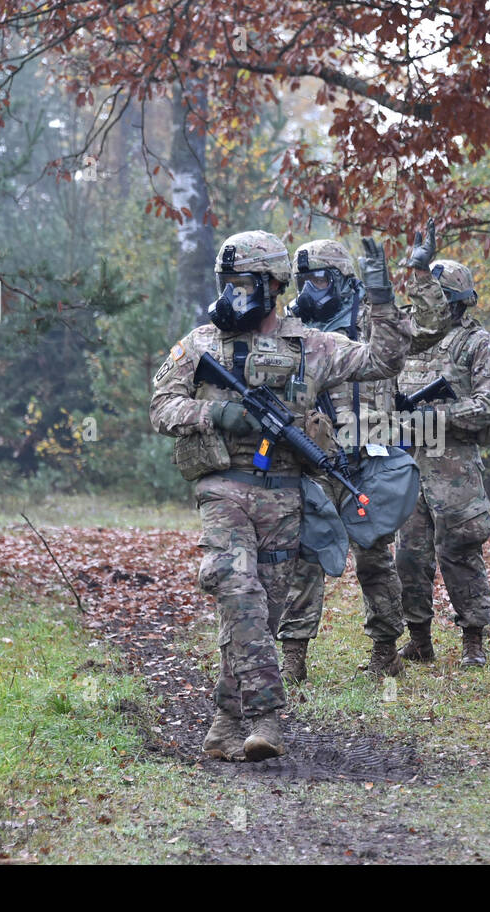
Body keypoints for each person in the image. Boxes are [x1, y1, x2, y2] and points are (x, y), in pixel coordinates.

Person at [150, 230, 410, 761]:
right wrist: (215, 413)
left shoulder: (312, 345)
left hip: (286, 494)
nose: (234, 293)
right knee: (236, 586)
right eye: (227, 283)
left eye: (244, 283)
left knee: (260, 616)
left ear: (273, 285)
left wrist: (382, 295)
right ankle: (267, 714)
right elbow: (161, 406)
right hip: (223, 487)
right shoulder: (202, 344)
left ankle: (226, 722)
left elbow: (384, 360)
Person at [276, 225, 451, 682]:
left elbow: (430, 327)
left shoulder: (373, 318)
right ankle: (293, 656)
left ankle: (385, 651)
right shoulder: (292, 327)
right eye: (302, 281)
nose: (309, 291)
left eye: (318, 280)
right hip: (312, 457)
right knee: (305, 556)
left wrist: (417, 276)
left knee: (374, 558)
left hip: (369, 457)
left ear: (338, 278)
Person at [394, 257, 490, 667]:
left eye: (439, 299)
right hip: (409, 462)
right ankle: (419, 639)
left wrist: (436, 417)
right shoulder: (409, 337)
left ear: (457, 302)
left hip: (454, 466)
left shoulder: (478, 343)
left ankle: (473, 640)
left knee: (459, 551)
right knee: (408, 556)